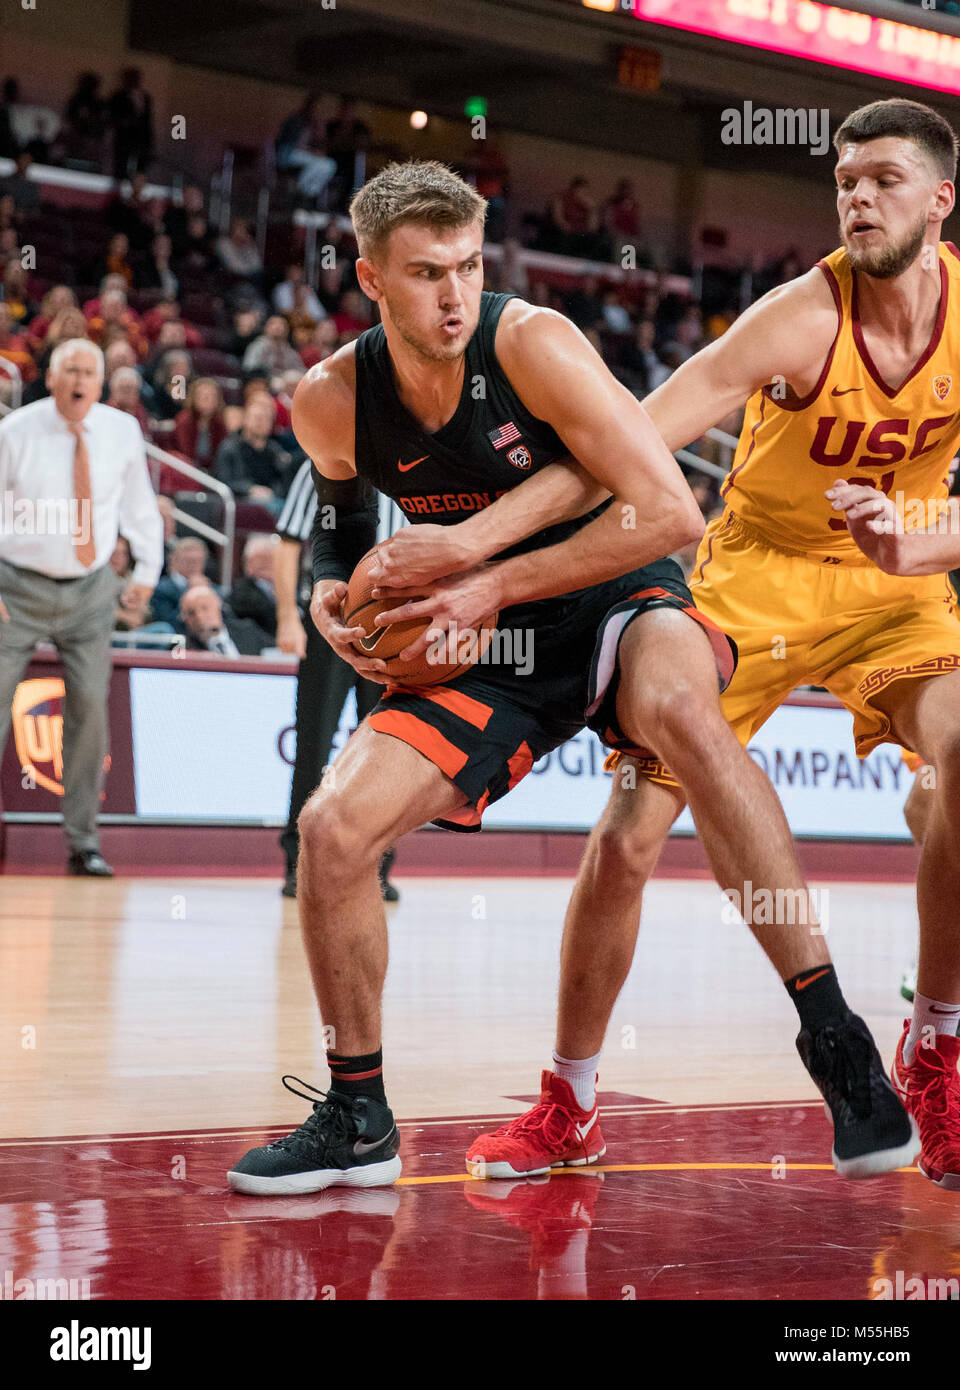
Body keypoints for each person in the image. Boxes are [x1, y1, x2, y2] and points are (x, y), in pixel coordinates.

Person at [226, 160, 910, 1196]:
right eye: (423, 275)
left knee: (684, 710)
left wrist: (480, 570)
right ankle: (357, 1113)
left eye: (466, 266)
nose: (453, 296)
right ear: (367, 278)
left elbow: (673, 512)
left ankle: (834, 1036)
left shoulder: (532, 340)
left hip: (613, 586)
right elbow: (338, 538)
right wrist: (330, 598)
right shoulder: (331, 401)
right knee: (332, 831)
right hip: (485, 637)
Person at [378, 101, 960, 1191]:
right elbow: (625, 445)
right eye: (845, 181)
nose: (859, 198)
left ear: (941, 199)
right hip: (757, 579)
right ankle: (569, 1103)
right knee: (633, 833)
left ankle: (936, 1043)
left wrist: (923, 537)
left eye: (884, 180)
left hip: (897, 585)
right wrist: (475, 543)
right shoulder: (796, 318)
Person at [0, 338, 163, 874]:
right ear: (50, 377)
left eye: (89, 372)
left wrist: (146, 571)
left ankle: (83, 843)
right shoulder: (14, 432)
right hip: (15, 586)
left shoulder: (121, 431)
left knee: (91, 710)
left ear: (100, 382)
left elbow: (139, 505)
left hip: (92, 589)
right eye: (70, 369)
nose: (79, 380)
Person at [271, 457, 398, 901]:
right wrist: (287, 614)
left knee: (387, 751)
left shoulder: (423, 460)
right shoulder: (323, 460)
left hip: (398, 624)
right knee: (314, 742)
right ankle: (299, 861)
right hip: (332, 618)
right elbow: (288, 542)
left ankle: (375, 866)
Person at [213, 394, 291, 505]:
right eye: (257, 418)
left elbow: (284, 482)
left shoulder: (275, 450)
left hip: (271, 500)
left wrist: (272, 492)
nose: (261, 422)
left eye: (266, 419)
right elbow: (223, 480)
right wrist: (250, 489)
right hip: (239, 501)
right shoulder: (229, 447)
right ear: (245, 420)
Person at [275, 95, 336, 207]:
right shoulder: (295, 120)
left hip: (303, 155)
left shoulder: (312, 123)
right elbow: (295, 146)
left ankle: (307, 196)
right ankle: (300, 193)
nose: (315, 112)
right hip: (287, 155)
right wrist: (314, 153)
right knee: (322, 164)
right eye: (314, 108)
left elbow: (319, 145)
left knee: (329, 165)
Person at [178, 584, 269, 656]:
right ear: (185, 620)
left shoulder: (247, 630)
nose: (199, 617)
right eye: (191, 613)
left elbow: (275, 651)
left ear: (219, 606)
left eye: (205, 608)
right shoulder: (183, 647)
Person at [149, 536, 213, 626]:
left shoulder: (214, 589)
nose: (194, 566)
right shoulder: (161, 589)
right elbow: (168, 622)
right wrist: (192, 591)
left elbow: (227, 620)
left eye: (199, 561)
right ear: (174, 561)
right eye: (189, 561)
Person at [108, 68, 153, 180]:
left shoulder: (145, 97)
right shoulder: (118, 96)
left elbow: (147, 121)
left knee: (140, 168)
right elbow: (113, 116)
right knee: (121, 166)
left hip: (142, 140)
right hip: (124, 139)